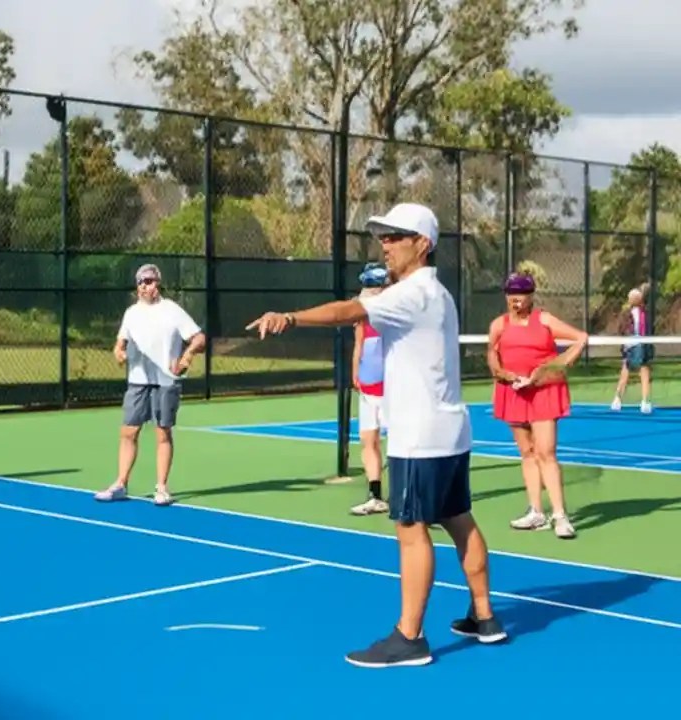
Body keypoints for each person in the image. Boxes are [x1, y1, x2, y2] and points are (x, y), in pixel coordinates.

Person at [247, 202, 505, 668]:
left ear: (422, 244)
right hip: (450, 430)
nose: (385, 244)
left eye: (395, 236)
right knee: (458, 518)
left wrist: (290, 317)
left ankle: (409, 637)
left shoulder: (408, 296)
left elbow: (350, 309)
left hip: (419, 435)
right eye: (382, 236)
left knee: (411, 530)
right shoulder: (438, 294)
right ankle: (484, 617)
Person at [95, 263, 205, 507]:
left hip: (166, 381)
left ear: (158, 283)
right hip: (137, 381)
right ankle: (121, 483)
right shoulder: (131, 313)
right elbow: (120, 343)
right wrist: (118, 352)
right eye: (142, 282)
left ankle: (162, 488)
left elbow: (199, 338)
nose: (146, 286)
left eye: (150, 281)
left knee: (162, 433)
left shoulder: (172, 310)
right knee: (129, 431)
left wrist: (187, 356)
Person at [486, 271, 585, 539]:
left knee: (546, 452)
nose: (515, 301)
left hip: (544, 392)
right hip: (514, 392)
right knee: (528, 453)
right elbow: (492, 354)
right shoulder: (499, 324)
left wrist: (556, 365)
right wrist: (501, 373)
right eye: (511, 296)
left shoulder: (545, 320)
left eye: (520, 296)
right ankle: (536, 512)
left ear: (530, 297)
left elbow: (581, 338)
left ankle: (560, 516)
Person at [350, 262, 390, 516]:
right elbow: (359, 343)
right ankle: (375, 495)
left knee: (398, 443)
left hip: (392, 389)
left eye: (376, 286)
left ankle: (404, 494)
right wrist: (356, 371)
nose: (372, 290)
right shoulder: (362, 314)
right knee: (368, 440)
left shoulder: (397, 314)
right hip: (368, 387)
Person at [611, 287, 652, 414]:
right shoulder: (626, 313)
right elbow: (621, 329)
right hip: (630, 346)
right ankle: (618, 399)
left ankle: (644, 402)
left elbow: (648, 329)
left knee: (643, 371)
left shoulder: (644, 313)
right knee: (627, 372)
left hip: (641, 345)